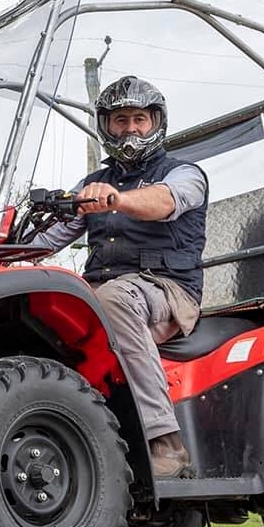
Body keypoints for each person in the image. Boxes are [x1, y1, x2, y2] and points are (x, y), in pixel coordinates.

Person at [31, 76, 208, 479]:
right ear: (106, 126)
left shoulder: (185, 174)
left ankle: (165, 440)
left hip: (167, 290)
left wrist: (118, 200)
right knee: (37, 302)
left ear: (156, 122)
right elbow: (48, 237)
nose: (130, 129)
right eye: (120, 120)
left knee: (112, 298)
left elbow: (165, 202)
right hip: (103, 290)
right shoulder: (94, 183)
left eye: (139, 119)